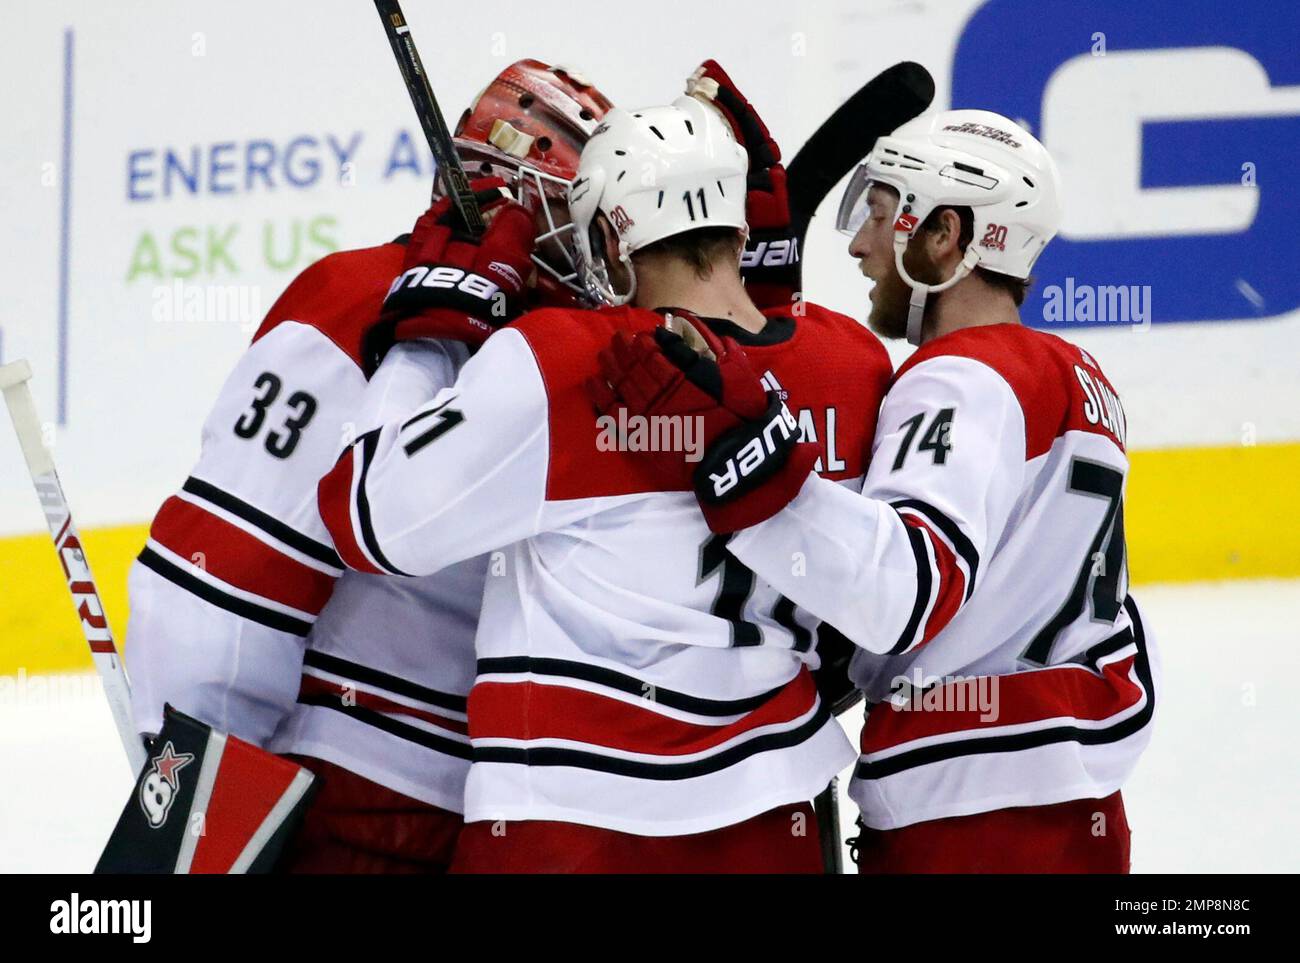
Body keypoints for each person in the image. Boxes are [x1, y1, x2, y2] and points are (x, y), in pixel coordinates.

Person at [318, 72, 892, 872]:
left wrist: (429, 331)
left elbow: (365, 514)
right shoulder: (853, 363)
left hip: (565, 829)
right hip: (772, 825)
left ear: (613, 243)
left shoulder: (562, 359)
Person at [597, 109, 1158, 873]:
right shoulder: (1080, 377)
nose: (861, 243)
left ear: (946, 237)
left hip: (972, 823)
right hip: (1079, 810)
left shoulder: (960, 380)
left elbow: (906, 591)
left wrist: (749, 455)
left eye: (884, 215)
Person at [123, 60, 613, 873]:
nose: (600, 240)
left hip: (510, 815)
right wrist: (190, 791)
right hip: (347, 803)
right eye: (576, 213)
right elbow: (224, 590)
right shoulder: (354, 301)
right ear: (510, 195)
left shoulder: (565, 346)